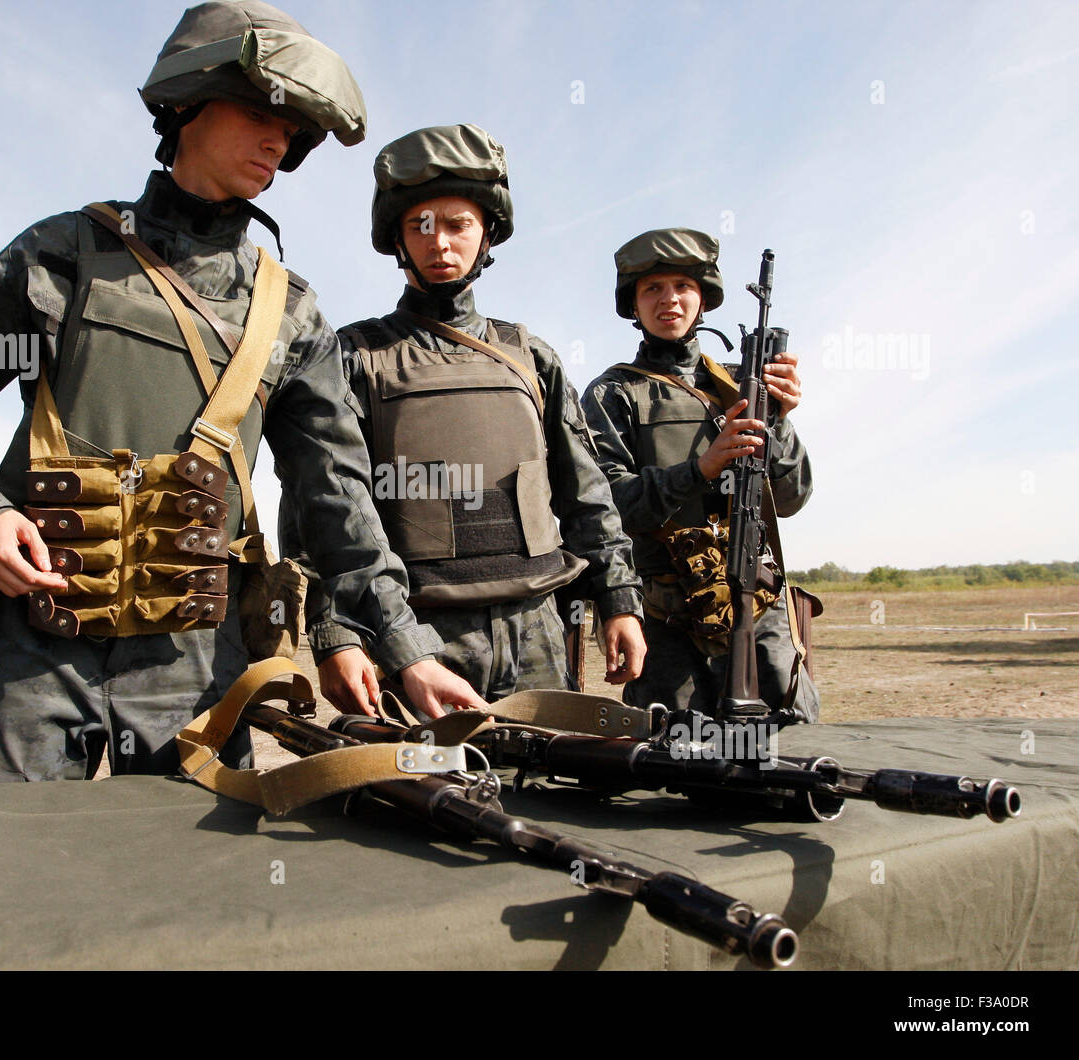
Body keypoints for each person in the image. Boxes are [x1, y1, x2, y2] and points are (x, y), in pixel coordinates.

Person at [0, 1, 485, 784]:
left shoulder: (289, 311)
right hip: (37, 647)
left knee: (189, 896)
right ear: (189, 101)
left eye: (296, 128)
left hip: (195, 665)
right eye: (262, 109)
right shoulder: (64, 255)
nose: (280, 139)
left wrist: (406, 648)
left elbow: (337, 494)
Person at [282, 124, 645, 715]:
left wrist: (618, 597)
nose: (440, 244)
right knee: (422, 803)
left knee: (552, 793)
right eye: (421, 226)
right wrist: (336, 635)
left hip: (537, 632)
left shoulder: (531, 356)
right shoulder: (352, 357)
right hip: (411, 636)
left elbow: (586, 494)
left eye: (458, 225)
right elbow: (317, 508)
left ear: (486, 234)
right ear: (397, 239)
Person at [581, 228, 819, 722]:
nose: (669, 300)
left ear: (703, 298)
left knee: (791, 749)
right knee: (673, 763)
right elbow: (605, 507)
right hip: (667, 619)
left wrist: (778, 421)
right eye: (652, 289)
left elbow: (793, 497)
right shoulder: (613, 394)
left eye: (683, 287)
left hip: (757, 609)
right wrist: (700, 469)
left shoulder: (737, 385)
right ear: (634, 303)